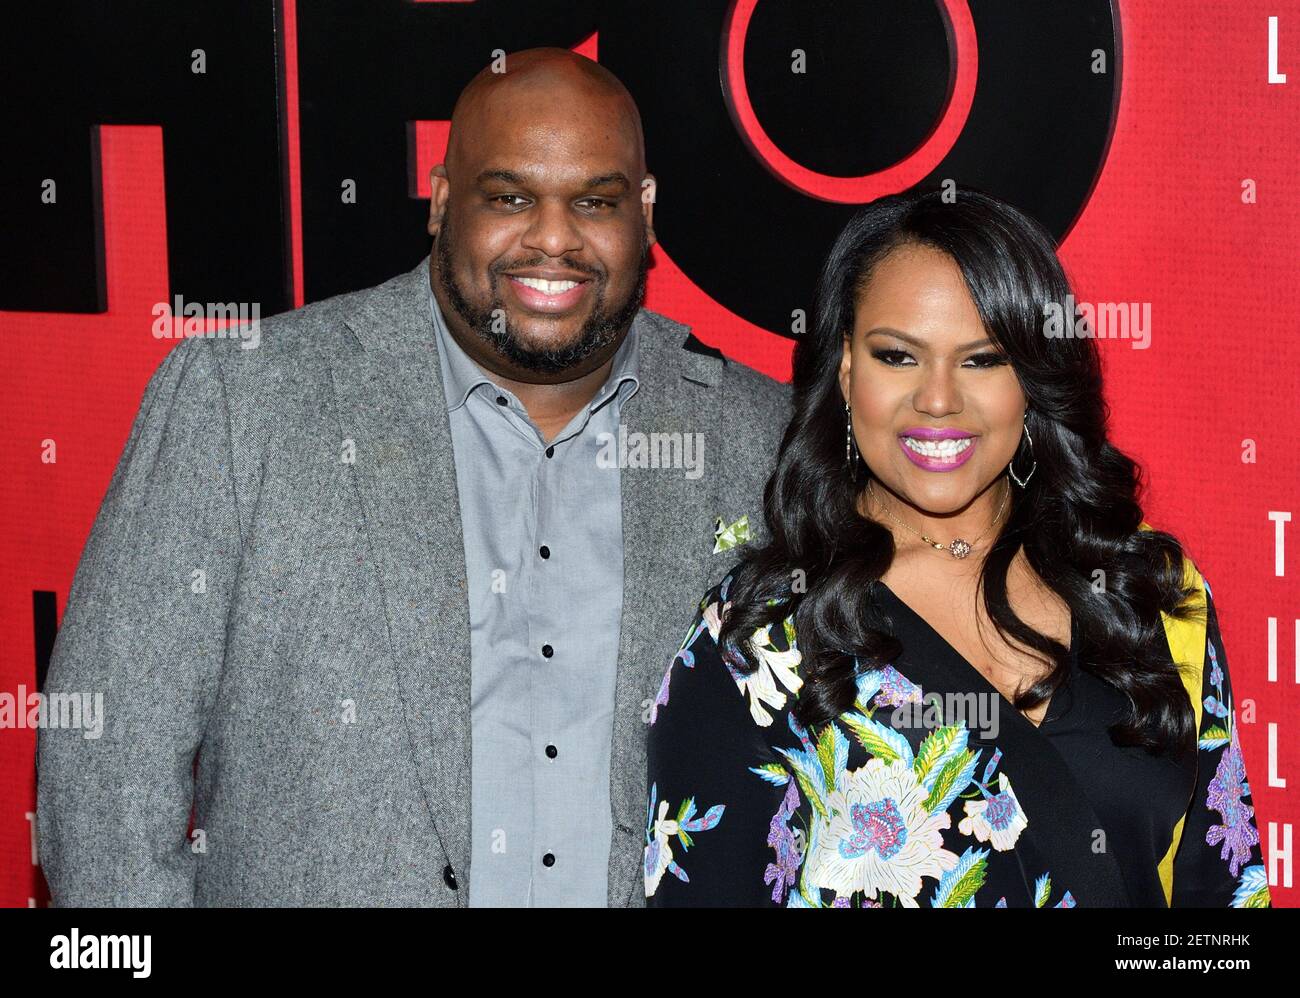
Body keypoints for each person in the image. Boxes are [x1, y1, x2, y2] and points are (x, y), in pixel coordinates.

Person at [37, 47, 790, 907]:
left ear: (646, 213)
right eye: (509, 197)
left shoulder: (751, 437)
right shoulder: (244, 401)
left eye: (595, 201)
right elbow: (106, 778)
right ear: (439, 200)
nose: (552, 237)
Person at [646, 186, 1272, 908]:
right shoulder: (763, 635)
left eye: (982, 360)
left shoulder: (1149, 591)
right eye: (897, 356)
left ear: (1031, 382)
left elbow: (1225, 891)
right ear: (847, 370)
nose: (938, 400)